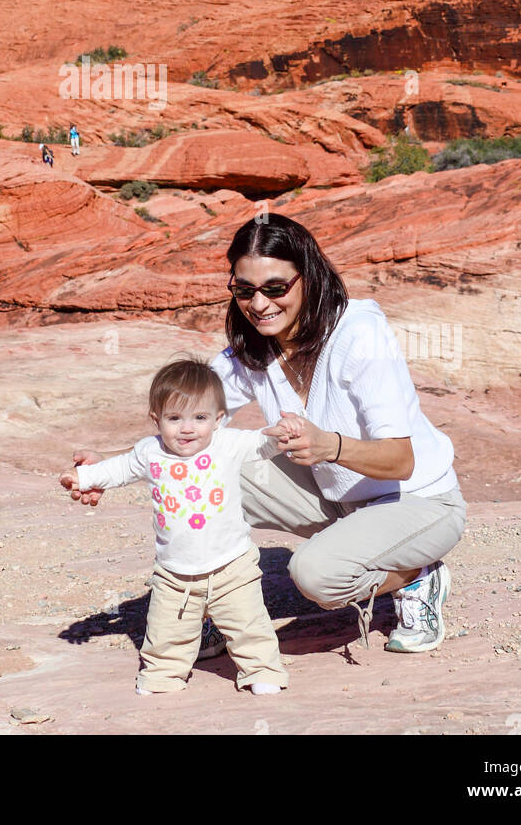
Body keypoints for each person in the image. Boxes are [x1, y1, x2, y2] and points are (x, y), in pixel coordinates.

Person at [69, 213, 466, 656]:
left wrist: (328, 445)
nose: (259, 304)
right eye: (244, 290)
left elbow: (400, 461)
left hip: (417, 500)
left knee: (317, 575)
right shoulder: (255, 349)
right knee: (200, 469)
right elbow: (187, 421)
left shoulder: (359, 334)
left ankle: (417, 577)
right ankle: (215, 605)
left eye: (275, 288)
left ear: (309, 277)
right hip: (340, 498)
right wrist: (104, 469)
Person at [61, 357, 290, 695]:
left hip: (232, 564)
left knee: (249, 624)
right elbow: (120, 469)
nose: (187, 428)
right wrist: (84, 477)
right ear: (157, 420)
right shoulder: (150, 452)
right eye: (174, 418)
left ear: (218, 419)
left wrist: (282, 435)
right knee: (167, 630)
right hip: (174, 572)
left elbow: (261, 444)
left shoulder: (226, 443)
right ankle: (162, 675)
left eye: (199, 418)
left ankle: (262, 670)